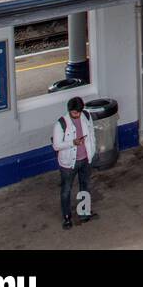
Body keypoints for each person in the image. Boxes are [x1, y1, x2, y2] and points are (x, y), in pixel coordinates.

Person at [51, 97, 96, 230]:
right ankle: (67, 217)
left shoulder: (86, 116)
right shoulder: (61, 124)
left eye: (78, 112)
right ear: (69, 110)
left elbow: (92, 133)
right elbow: (56, 146)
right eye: (74, 112)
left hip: (85, 159)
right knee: (66, 190)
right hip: (68, 163)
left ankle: (84, 212)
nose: (76, 115)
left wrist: (92, 151)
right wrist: (73, 143)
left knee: (85, 186)